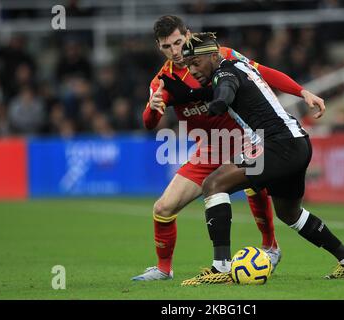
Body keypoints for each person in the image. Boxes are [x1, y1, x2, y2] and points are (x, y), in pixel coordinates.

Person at [132, 15, 325, 281]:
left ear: (187, 35)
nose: (175, 51)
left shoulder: (218, 56)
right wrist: (152, 110)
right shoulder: (163, 82)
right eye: (167, 47)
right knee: (163, 208)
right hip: (210, 147)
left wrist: (302, 92)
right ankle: (164, 269)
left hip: (244, 137)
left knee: (252, 183)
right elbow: (149, 122)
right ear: (159, 47)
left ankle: (270, 247)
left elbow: (263, 73)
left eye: (178, 42)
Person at [174, 33, 344, 286]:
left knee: (214, 184)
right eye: (188, 65)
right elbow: (216, 90)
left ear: (213, 56)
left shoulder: (225, 72)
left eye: (196, 63)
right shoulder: (239, 66)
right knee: (289, 213)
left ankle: (220, 267)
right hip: (297, 143)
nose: (192, 69)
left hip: (278, 146)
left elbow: (225, 90)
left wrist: (219, 103)